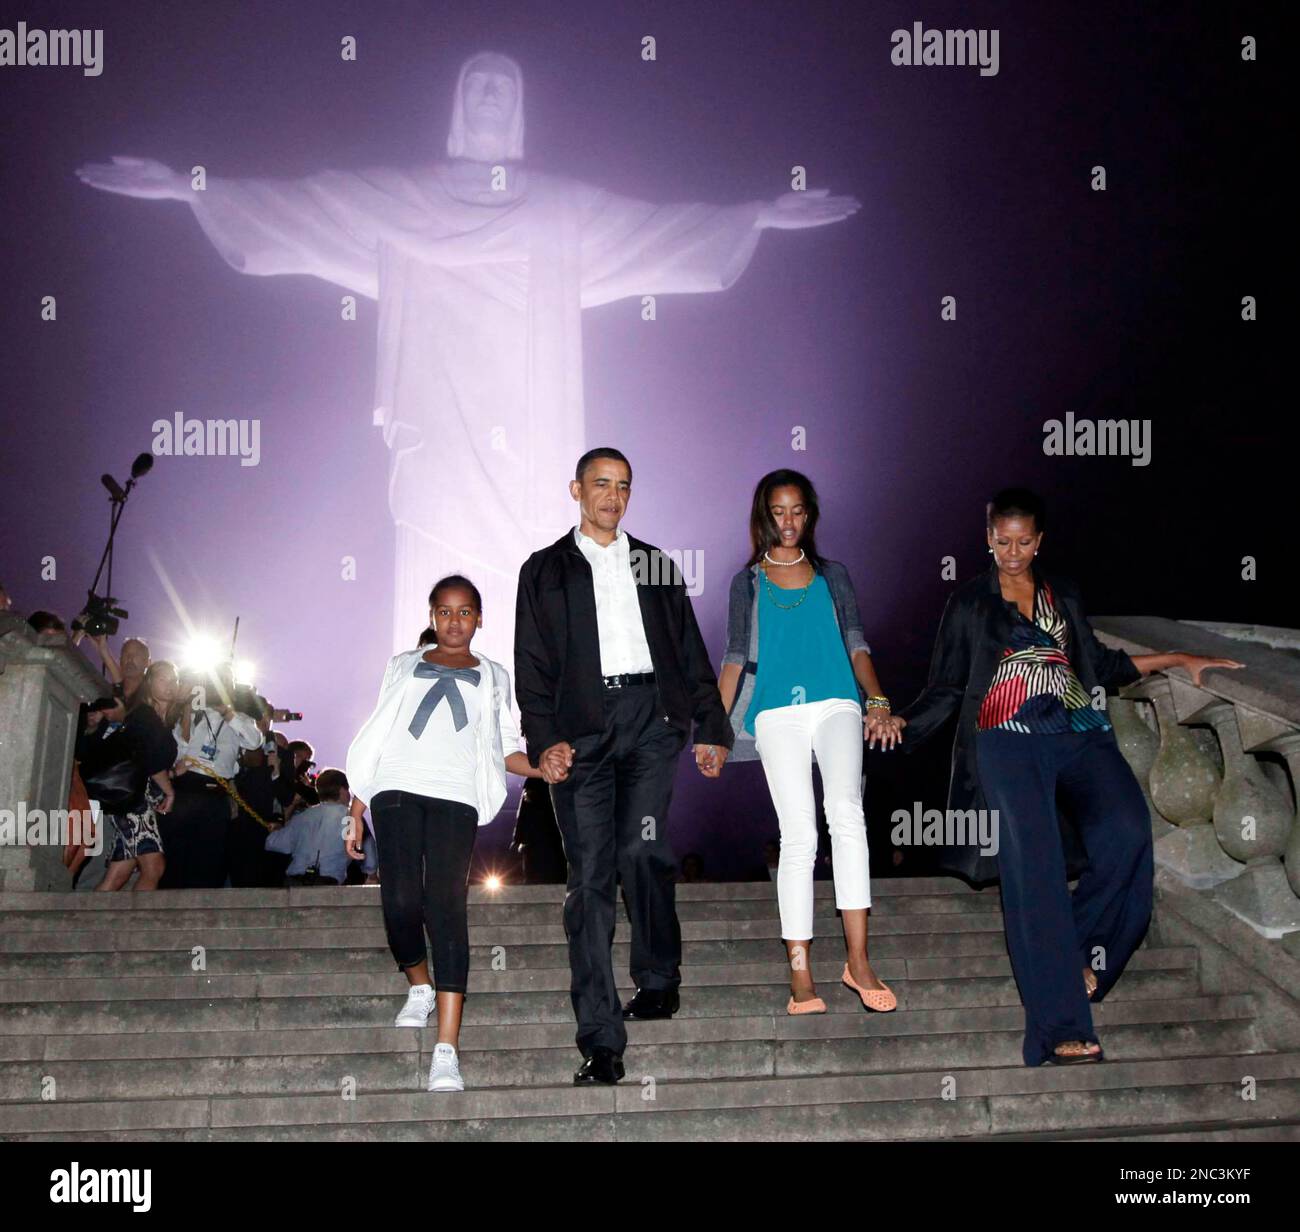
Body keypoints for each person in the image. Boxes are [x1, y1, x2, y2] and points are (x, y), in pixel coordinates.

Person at [889, 487, 1243, 1064]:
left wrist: (1179, 658)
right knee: (1037, 869)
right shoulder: (970, 603)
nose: (1012, 552)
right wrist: (902, 723)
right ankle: (1058, 1029)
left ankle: (1078, 950)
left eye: (1024, 542)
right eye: (1001, 541)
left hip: (1079, 731)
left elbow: (1100, 663)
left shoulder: (1062, 592)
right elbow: (949, 685)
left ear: (1039, 540)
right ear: (987, 538)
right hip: (1006, 743)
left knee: (1128, 833)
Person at [513, 448, 734, 1085]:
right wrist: (545, 739)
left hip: (650, 722)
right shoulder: (545, 570)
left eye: (624, 486)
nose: (614, 496)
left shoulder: (656, 565)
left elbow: (690, 649)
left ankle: (659, 977)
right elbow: (532, 664)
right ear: (576, 490)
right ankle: (602, 1041)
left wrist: (711, 728)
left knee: (642, 851)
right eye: (602, 484)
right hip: (580, 734)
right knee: (589, 881)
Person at [344, 575, 541, 1093]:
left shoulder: (495, 675)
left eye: (466, 612)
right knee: (401, 901)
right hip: (395, 788)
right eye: (445, 612)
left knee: (446, 905)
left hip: (455, 794)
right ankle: (419, 983)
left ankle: (446, 1050)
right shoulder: (402, 665)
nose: (455, 622)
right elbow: (380, 728)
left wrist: (543, 768)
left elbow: (503, 745)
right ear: (432, 617)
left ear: (479, 618)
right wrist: (357, 802)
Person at [718, 469, 899, 1016]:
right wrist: (713, 731)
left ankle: (858, 961)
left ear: (810, 514)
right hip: (775, 713)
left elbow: (857, 644)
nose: (789, 521)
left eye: (798, 510)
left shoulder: (833, 575)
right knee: (798, 833)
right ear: (764, 516)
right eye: (778, 511)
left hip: (837, 701)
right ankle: (800, 973)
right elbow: (732, 659)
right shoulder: (745, 583)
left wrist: (878, 700)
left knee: (846, 812)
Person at [162, 662, 262, 888]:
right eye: (215, 679)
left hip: (217, 793)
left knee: (210, 858)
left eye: (225, 680)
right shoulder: (196, 713)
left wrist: (227, 712)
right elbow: (180, 748)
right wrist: (187, 712)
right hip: (187, 787)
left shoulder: (241, 719)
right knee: (176, 854)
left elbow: (254, 742)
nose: (219, 685)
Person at [95, 661, 180, 891]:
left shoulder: (161, 720)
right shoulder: (143, 714)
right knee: (154, 867)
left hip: (137, 799)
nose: (170, 685)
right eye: (163, 679)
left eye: (174, 680)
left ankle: (82, 922)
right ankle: (133, 923)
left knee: (118, 875)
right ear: (150, 682)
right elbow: (149, 758)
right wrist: (169, 791)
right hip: (134, 800)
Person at [266, 768, 375, 885]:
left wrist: (277, 828)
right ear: (343, 790)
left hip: (294, 882)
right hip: (327, 882)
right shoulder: (350, 818)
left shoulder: (303, 817)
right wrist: (372, 874)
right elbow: (368, 851)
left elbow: (273, 843)